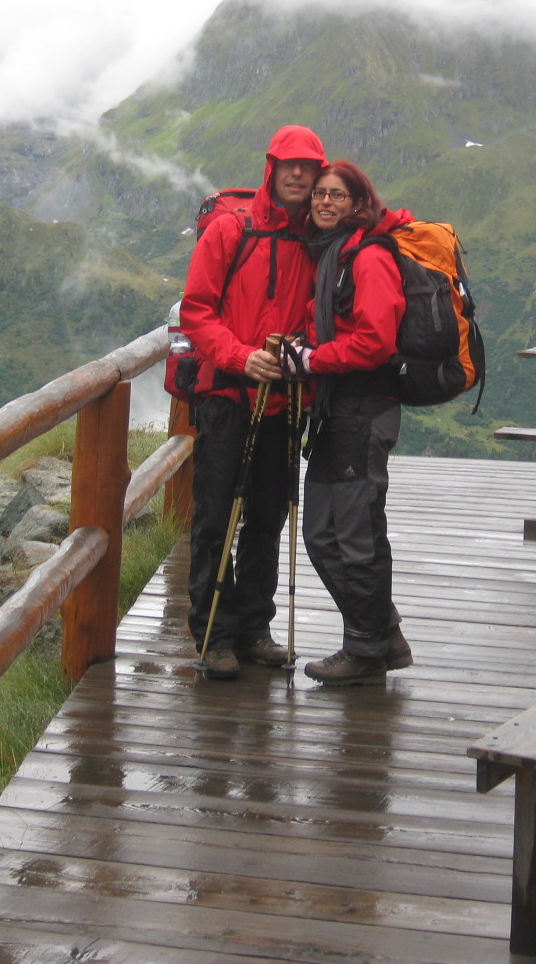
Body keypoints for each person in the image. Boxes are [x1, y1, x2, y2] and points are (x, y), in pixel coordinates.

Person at [179, 125, 323, 681]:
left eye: (307, 167)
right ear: (271, 167)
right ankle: (213, 632)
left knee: (267, 517)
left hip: (285, 402)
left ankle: (255, 629)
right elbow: (196, 311)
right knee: (217, 515)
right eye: (288, 164)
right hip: (228, 396)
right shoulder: (228, 232)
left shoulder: (318, 239)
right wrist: (241, 357)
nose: (296, 174)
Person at [283, 160, 413, 686]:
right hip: (337, 412)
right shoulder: (332, 256)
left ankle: (364, 652)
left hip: (364, 409)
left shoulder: (369, 256)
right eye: (318, 194)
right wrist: (305, 348)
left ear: (360, 202)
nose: (324, 202)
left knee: (356, 535)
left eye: (337, 195)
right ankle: (385, 635)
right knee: (321, 534)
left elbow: (376, 340)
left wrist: (313, 360)